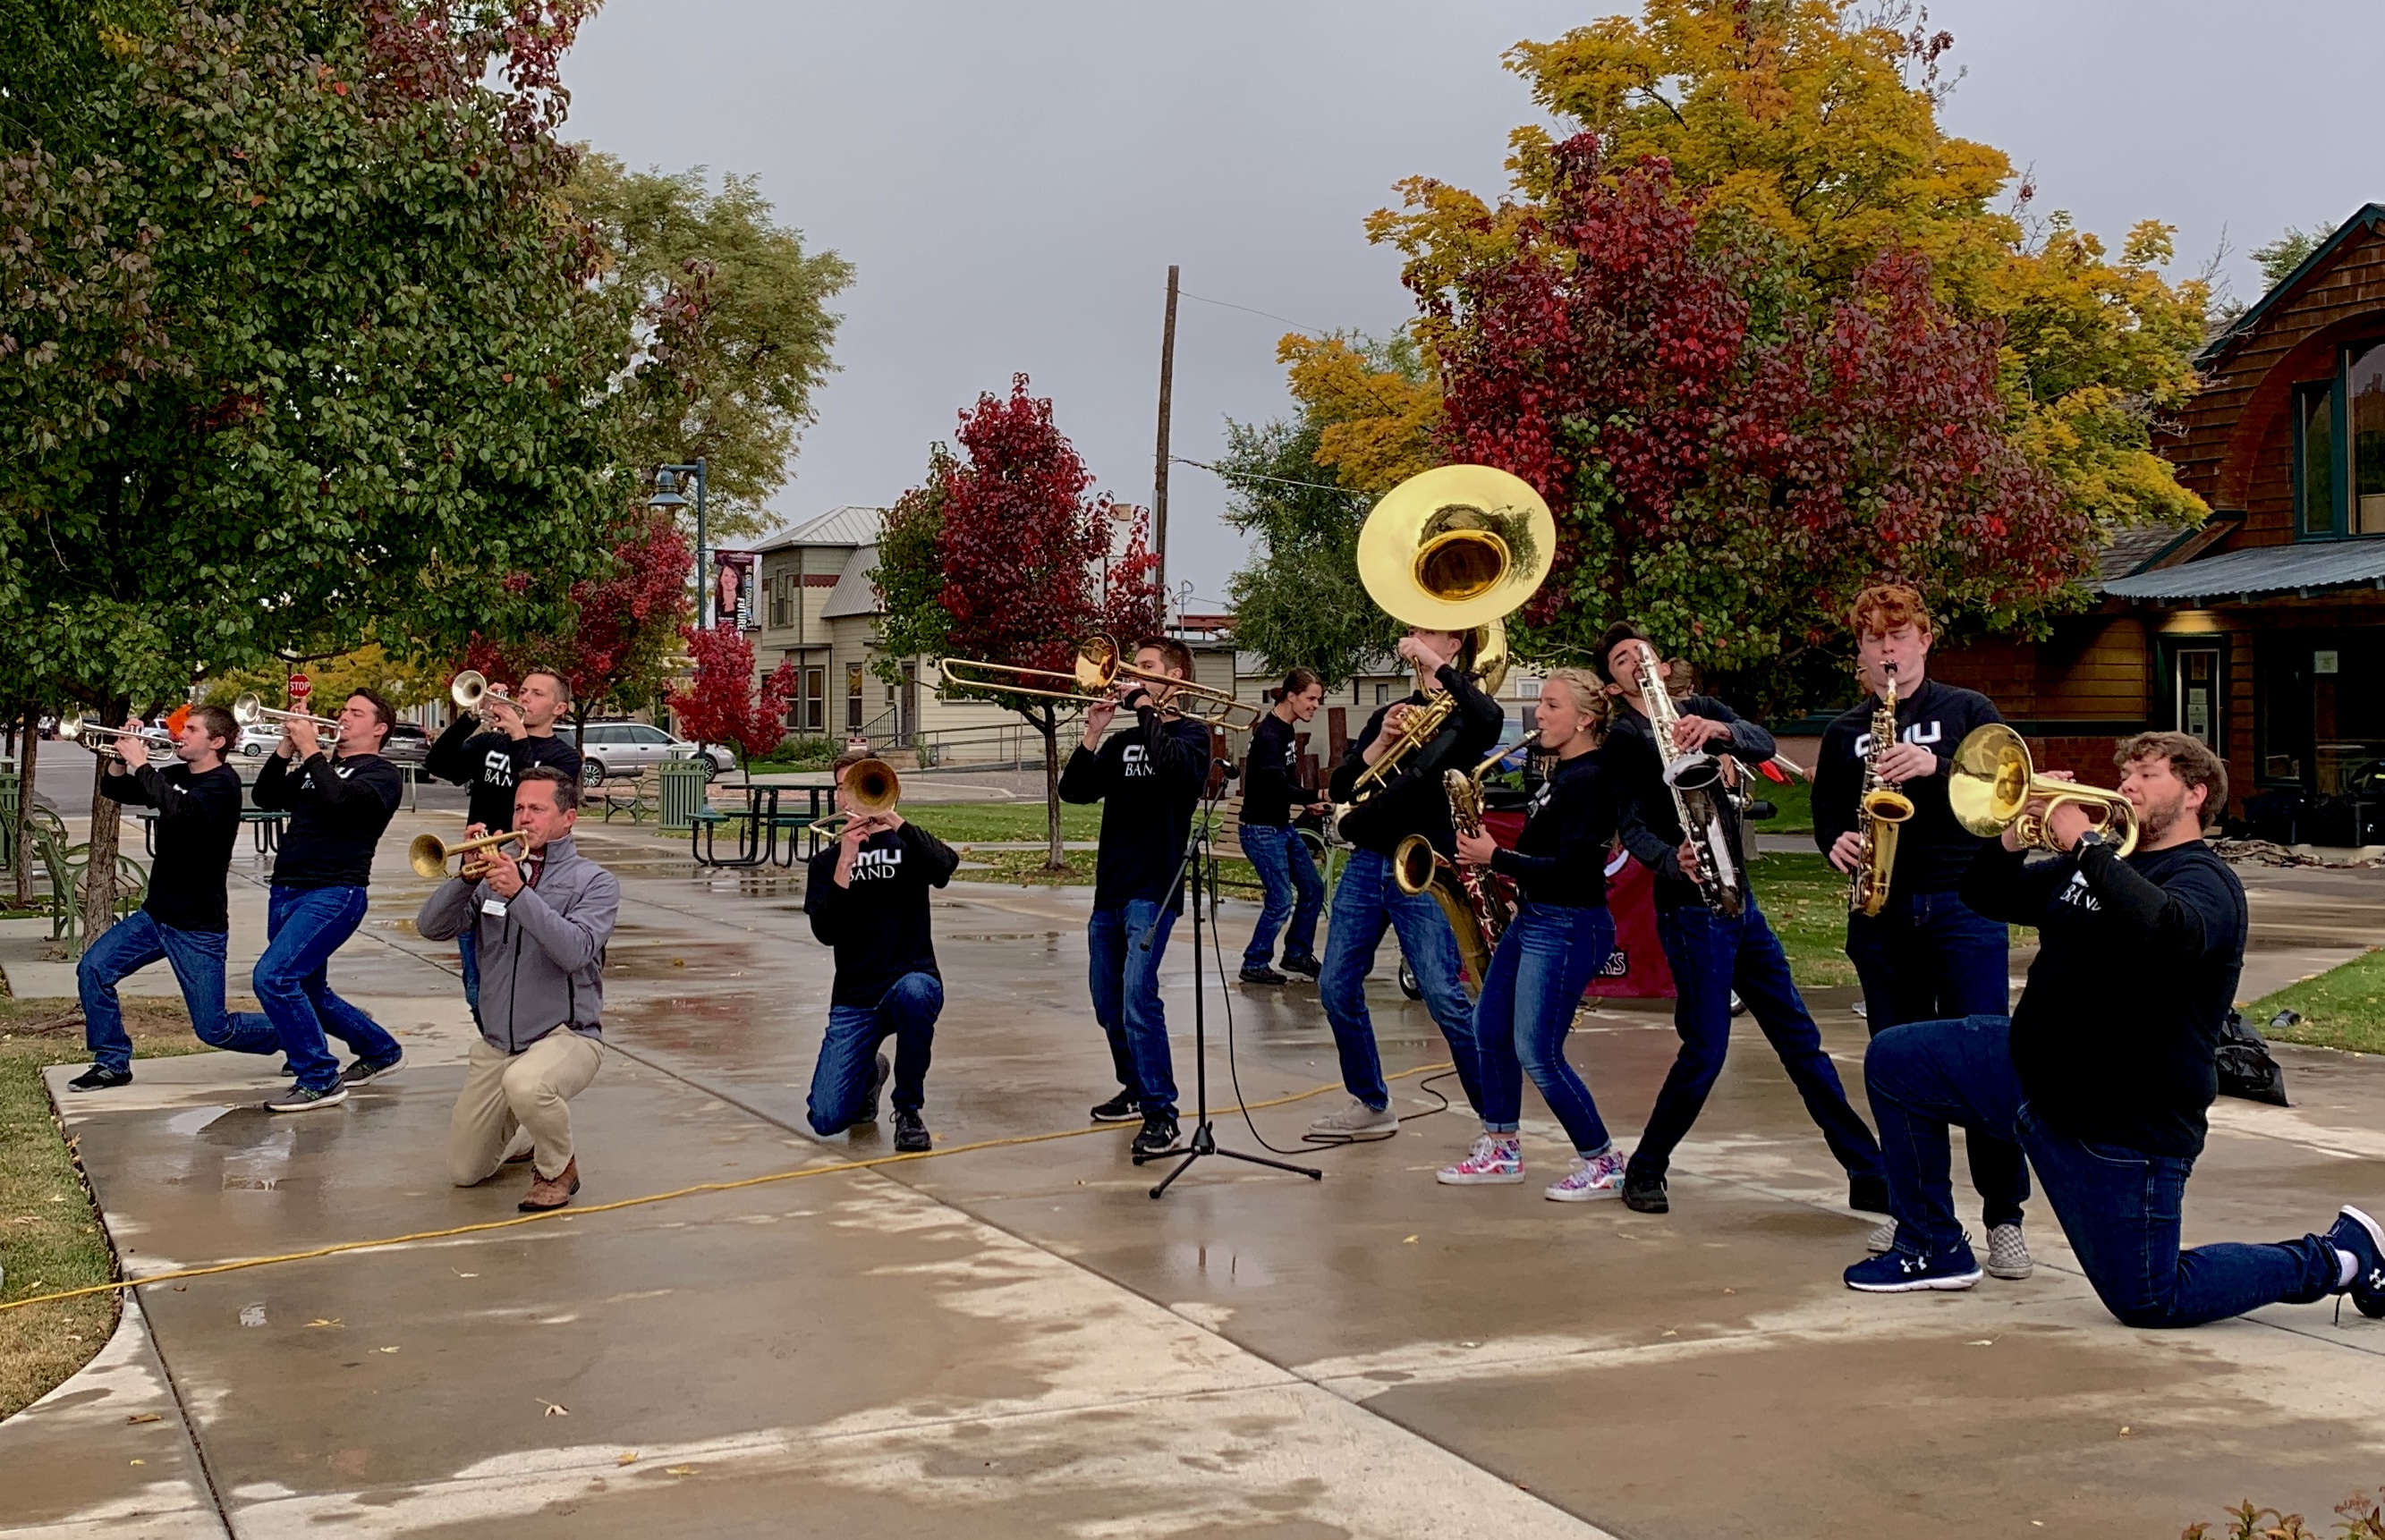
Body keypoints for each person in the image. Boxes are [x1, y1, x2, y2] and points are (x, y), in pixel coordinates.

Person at [1846, 732, 2385, 1326]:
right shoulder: (2101, 865)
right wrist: (2014, 832)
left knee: (2150, 1298)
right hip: (2032, 1078)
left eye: (2148, 775)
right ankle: (1932, 1245)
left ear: (2195, 794)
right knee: (1898, 1060)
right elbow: (1984, 893)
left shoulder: (2205, 880)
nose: (2127, 784)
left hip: (2122, 1124)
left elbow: (2167, 931)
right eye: (2126, 773)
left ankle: (2339, 1258)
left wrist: (2085, 844)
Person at [1600, 625, 1888, 1216]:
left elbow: (1760, 743)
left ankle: (1866, 1171)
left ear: (1660, 661)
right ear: (1613, 681)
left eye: (1641, 652)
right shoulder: (1626, 738)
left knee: (1801, 1041)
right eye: (1622, 660)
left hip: (1741, 901)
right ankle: (1647, 1168)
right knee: (1706, 1050)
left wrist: (1721, 733)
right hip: (1689, 906)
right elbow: (1631, 824)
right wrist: (1670, 861)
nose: (1636, 662)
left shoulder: (1699, 709)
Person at [1812, 583, 2032, 1279]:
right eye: (1873, 639)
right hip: (1883, 912)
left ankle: (2005, 1220)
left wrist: (1936, 768)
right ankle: (1922, 1218)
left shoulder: (1966, 711)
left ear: (1924, 640)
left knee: (1985, 1061)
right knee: (1899, 1068)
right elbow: (1825, 814)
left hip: (1963, 905)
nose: (1886, 651)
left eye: (1898, 637)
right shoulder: (1847, 730)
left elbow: (2005, 794)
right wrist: (1836, 846)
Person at [1307, 629, 1507, 1143]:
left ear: (1455, 648)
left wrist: (1432, 665)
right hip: (1368, 861)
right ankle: (1372, 1103)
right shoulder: (1393, 712)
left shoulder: (1465, 713)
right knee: (1335, 986)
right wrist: (1378, 743)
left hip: (1423, 864)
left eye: (1428, 634)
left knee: (1443, 994)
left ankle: (1497, 1120)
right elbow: (1342, 785)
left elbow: (1491, 720)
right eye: (1413, 632)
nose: (1412, 639)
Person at [1439, 669, 1628, 1200]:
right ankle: (1501, 1147)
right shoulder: (1560, 772)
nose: (1538, 715)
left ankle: (1603, 1159)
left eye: (1551, 705)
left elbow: (1573, 869)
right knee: (1490, 1027)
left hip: (1568, 923)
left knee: (1537, 1050)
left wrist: (1493, 857)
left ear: (1585, 719)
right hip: (1537, 918)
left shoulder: (1591, 779)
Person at [418, 767, 615, 1211]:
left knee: (527, 1083)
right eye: (519, 807)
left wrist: (519, 894)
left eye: (538, 809)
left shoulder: (594, 882)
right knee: (465, 1173)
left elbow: (575, 951)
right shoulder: (494, 870)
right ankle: (529, 1129)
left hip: (567, 1035)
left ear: (568, 818)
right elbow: (431, 928)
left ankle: (557, 1168)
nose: (525, 818)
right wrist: (465, 880)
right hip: (498, 1044)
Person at [69, 707, 282, 1091]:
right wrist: (121, 758)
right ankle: (112, 1063)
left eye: (192, 729)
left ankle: (297, 1030)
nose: (181, 734)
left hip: (198, 927)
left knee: (214, 1028)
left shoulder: (223, 784)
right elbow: (116, 790)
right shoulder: (178, 774)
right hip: (156, 917)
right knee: (94, 970)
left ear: (216, 743)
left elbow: (182, 811)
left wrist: (142, 764)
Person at [1058, 637, 1214, 1158]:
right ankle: (1133, 1087)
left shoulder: (1195, 735)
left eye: (1146, 668)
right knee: (1108, 1003)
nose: (1131, 674)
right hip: (1112, 889)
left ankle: (1161, 1113)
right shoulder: (1124, 741)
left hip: (1155, 888)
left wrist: (1145, 706)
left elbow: (1175, 770)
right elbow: (1074, 792)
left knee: (1138, 998)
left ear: (1173, 679)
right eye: (1136, 668)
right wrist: (1092, 733)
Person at [237, 690, 410, 1112]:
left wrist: (312, 748)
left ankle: (319, 1076)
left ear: (379, 728)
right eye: (343, 711)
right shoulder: (324, 767)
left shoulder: (383, 774)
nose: (343, 718)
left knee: (273, 978)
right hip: (288, 887)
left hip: (335, 891)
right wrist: (285, 747)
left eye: (355, 713)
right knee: (310, 991)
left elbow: (344, 804)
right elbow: (266, 796)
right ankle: (380, 1050)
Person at [803, 749, 960, 1154]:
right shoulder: (826, 863)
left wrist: (893, 820)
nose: (854, 795)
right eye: (845, 786)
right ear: (839, 796)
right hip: (856, 996)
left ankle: (908, 1111)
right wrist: (845, 864)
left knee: (915, 993)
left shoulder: (908, 844)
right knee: (826, 1119)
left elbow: (945, 866)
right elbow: (825, 932)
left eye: (864, 781)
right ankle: (870, 1074)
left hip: (911, 979)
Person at [425, 669, 583, 1023]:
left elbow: (530, 790)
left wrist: (517, 735)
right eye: (522, 690)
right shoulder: (489, 743)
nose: (524, 698)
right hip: (478, 870)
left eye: (537, 694)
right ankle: (497, 1046)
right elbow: (438, 764)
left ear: (559, 708)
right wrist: (471, 716)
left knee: (517, 976)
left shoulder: (564, 757)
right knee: (475, 986)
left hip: (528, 874)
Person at [1237, 667, 1330, 986]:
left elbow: (1288, 782)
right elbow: (1276, 787)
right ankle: (1254, 962)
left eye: (1319, 699)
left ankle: (1296, 955)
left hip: (1281, 826)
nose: (1315, 705)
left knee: (1313, 889)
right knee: (1279, 900)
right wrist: (1314, 795)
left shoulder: (1287, 729)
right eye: (1311, 698)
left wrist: (1307, 802)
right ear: (1291, 696)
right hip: (1260, 830)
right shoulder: (1268, 736)